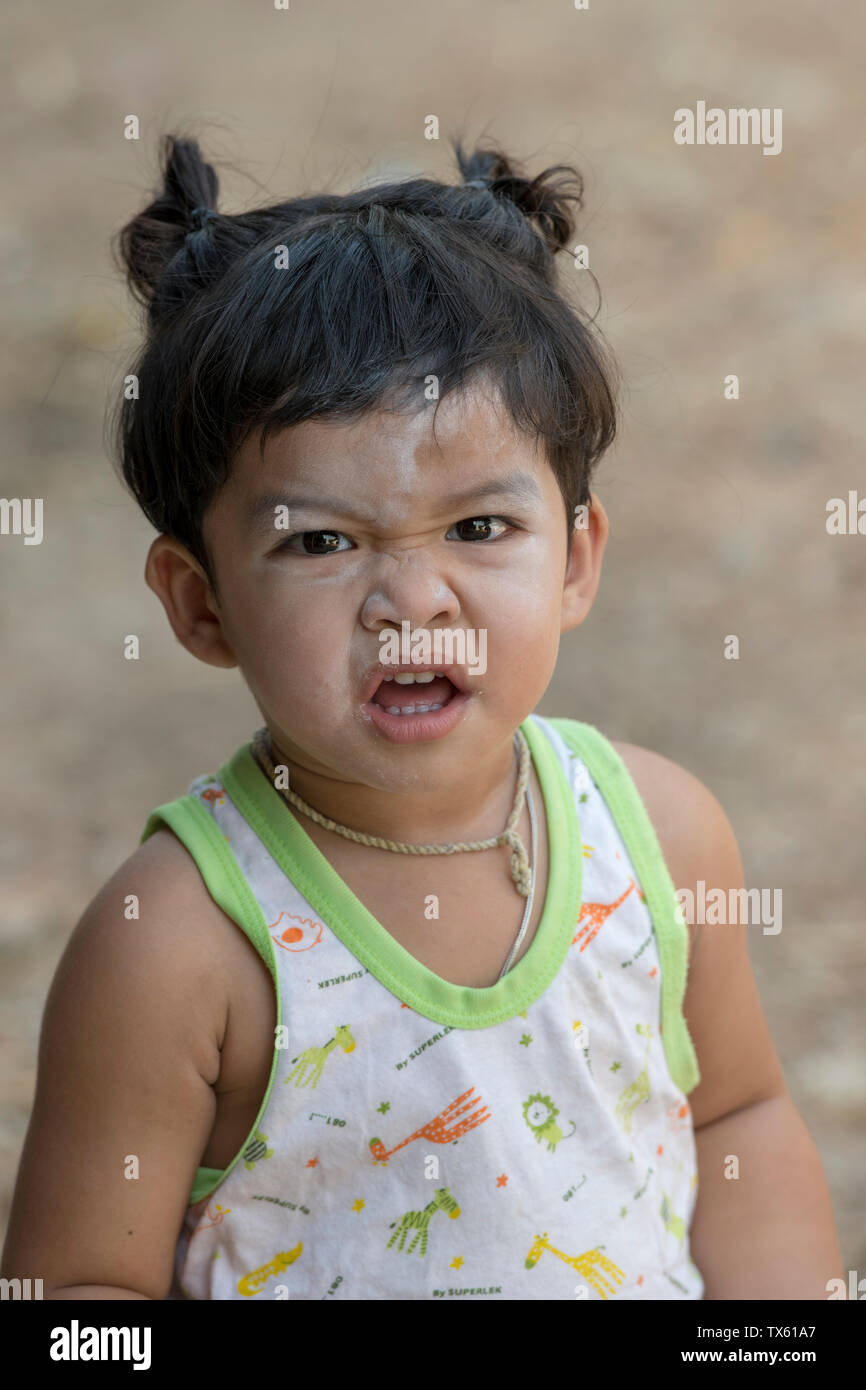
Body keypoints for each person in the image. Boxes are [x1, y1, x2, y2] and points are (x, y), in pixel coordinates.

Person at [1, 134, 842, 1301]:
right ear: (201, 605)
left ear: (575, 559)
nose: (412, 598)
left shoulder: (656, 836)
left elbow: (734, 1114)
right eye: (320, 542)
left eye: (478, 528)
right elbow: (77, 1302)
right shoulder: (176, 946)